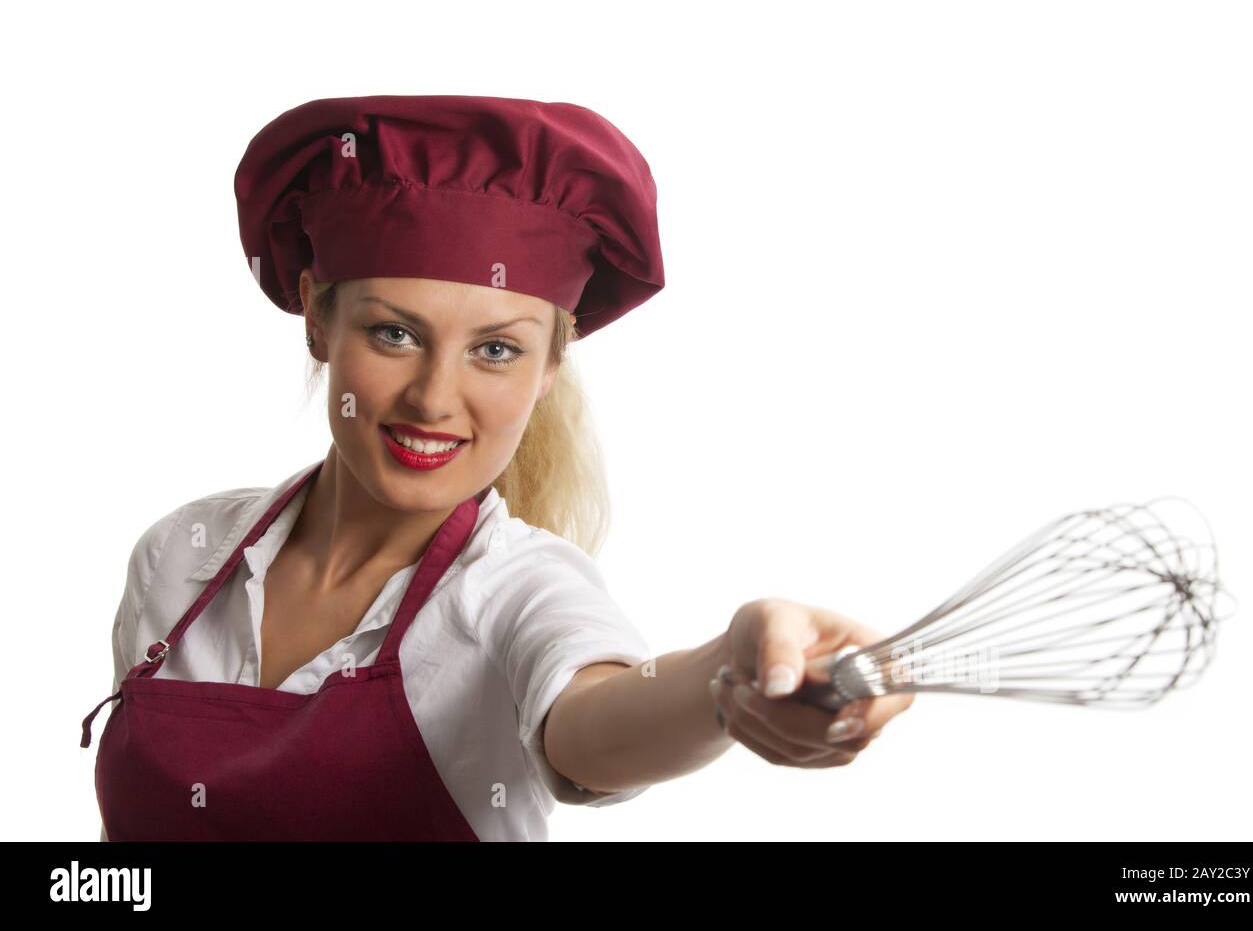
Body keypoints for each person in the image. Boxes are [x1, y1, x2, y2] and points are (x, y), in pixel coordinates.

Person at [82, 95, 914, 841]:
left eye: (495, 350)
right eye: (393, 334)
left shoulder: (516, 591)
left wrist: (728, 678)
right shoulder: (180, 559)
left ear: (548, 368)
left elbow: (595, 719)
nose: (436, 399)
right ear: (315, 319)